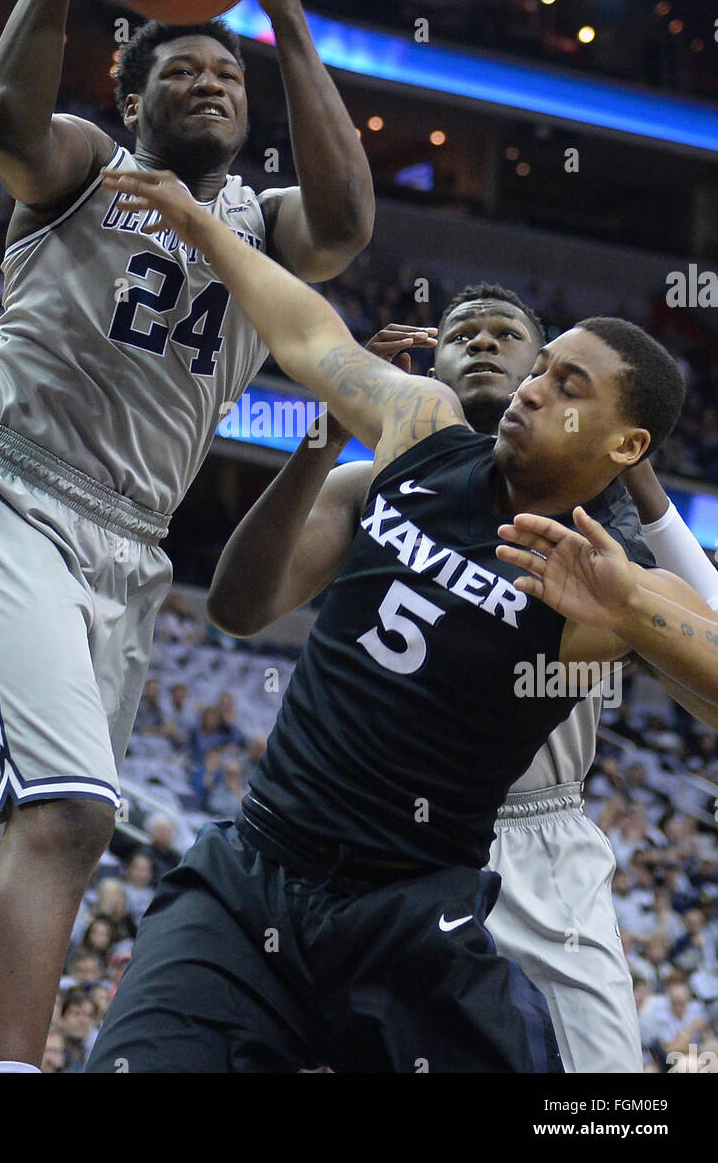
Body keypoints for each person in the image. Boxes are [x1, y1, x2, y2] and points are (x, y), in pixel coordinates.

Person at [0, 0, 372, 1076]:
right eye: (179, 68)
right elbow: (8, 121)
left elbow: (347, 221)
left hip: (130, 558)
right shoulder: (85, 165)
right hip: (13, 498)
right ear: (131, 100)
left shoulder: (263, 230)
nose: (208, 84)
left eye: (223, 74)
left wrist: (282, 6)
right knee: (70, 810)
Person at [84, 166, 718, 1073]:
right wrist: (203, 227)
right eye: (539, 370)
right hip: (256, 870)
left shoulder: (604, 583)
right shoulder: (421, 430)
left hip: (411, 916)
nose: (534, 389)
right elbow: (308, 333)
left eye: (566, 383)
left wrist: (627, 609)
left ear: (624, 446)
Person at [203, 294, 718, 1073]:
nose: (482, 345)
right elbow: (238, 608)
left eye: (514, 340)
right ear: (425, 374)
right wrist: (331, 422)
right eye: (458, 334)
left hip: (538, 836)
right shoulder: (377, 484)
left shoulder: (599, 543)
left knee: (600, 1088)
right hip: (377, 844)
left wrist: (636, 470)